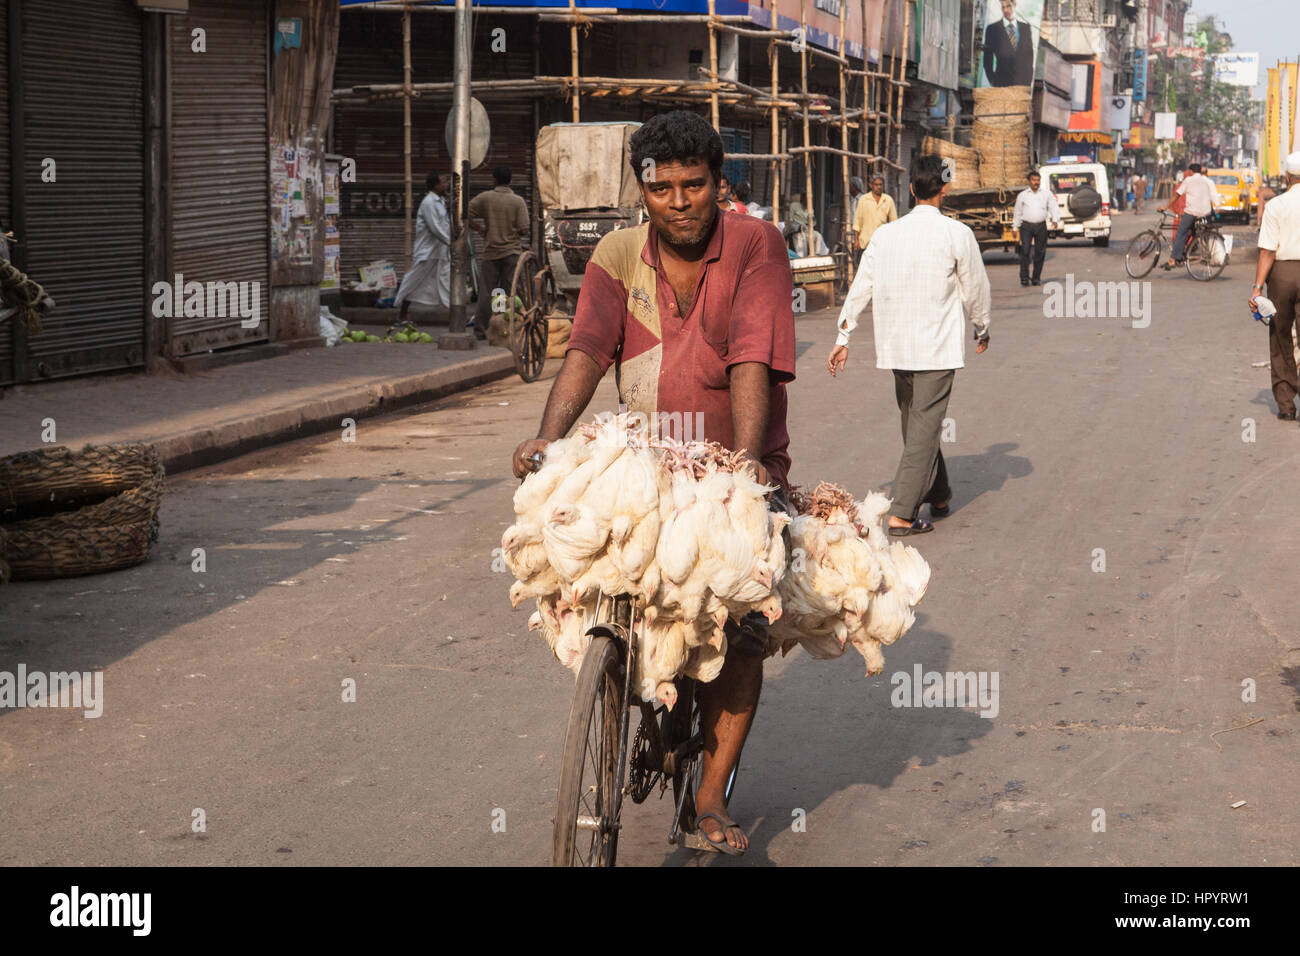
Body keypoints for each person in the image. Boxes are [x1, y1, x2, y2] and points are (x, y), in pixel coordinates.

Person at [511, 110, 795, 855]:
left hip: (735, 459)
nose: (678, 202)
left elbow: (752, 359)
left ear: (718, 184)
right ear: (643, 191)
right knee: (608, 579)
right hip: (647, 462)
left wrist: (744, 469)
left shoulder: (757, 245)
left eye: (692, 185)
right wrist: (549, 438)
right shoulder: (616, 254)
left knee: (741, 628)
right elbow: (586, 350)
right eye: (661, 188)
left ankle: (710, 796)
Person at [827, 153, 991, 535]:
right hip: (936, 349)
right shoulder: (957, 233)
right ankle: (902, 514)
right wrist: (982, 327)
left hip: (897, 347)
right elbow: (975, 288)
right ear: (944, 190)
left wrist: (843, 335)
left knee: (918, 426)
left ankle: (939, 493)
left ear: (912, 190)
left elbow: (861, 285)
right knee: (922, 428)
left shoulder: (886, 235)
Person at [1249, 151, 1300, 422]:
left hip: (1282, 275)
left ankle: (1286, 405)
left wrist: (1257, 288)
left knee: (1280, 338)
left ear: (1287, 177)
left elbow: (1267, 251)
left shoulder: (1276, 205)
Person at [468, 165, 530, 341]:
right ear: (510, 180)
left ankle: (481, 330)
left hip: (491, 252)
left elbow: (463, 213)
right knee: (508, 292)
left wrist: (479, 229)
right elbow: (524, 229)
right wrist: (512, 232)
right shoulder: (518, 201)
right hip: (511, 252)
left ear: (494, 179)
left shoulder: (486, 198)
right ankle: (506, 327)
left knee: (487, 292)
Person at [395, 172, 451, 322]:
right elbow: (435, 227)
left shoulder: (440, 201)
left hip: (440, 250)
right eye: (444, 182)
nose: (446, 185)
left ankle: (455, 313)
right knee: (414, 281)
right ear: (436, 185)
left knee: (446, 280)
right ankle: (402, 313)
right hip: (427, 251)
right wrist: (452, 243)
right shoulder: (428, 203)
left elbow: (444, 224)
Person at [1162, 163, 1217, 268]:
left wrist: (1166, 207)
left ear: (1191, 171)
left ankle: (1173, 260)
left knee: (1180, 233)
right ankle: (1188, 251)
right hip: (1206, 213)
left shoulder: (1188, 180)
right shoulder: (1206, 181)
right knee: (1193, 231)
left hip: (1192, 212)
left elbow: (1177, 195)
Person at [1012, 170, 1061, 286]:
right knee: (1025, 251)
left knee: (1040, 252)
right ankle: (1024, 278)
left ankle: (1036, 278)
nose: (1036, 182)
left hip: (1041, 226)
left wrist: (1055, 219)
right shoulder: (1023, 195)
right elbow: (1017, 211)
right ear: (1029, 181)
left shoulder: (1046, 194)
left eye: (1038, 180)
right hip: (1026, 226)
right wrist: (1015, 227)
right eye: (1034, 180)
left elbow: (1053, 206)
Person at [982, 0, 1035, 87]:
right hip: (1001, 84)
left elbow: (1029, 57)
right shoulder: (992, 29)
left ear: (1015, 4)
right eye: (1003, 7)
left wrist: (1028, 81)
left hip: (1021, 85)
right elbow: (987, 59)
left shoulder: (1026, 28)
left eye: (1008, 6)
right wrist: (993, 81)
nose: (1005, 10)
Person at [852, 174, 898, 255]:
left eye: (881, 184)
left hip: (882, 243)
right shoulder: (864, 199)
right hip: (865, 243)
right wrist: (856, 241)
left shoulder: (888, 200)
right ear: (871, 185)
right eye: (876, 185)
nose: (879, 187)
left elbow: (894, 222)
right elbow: (857, 222)